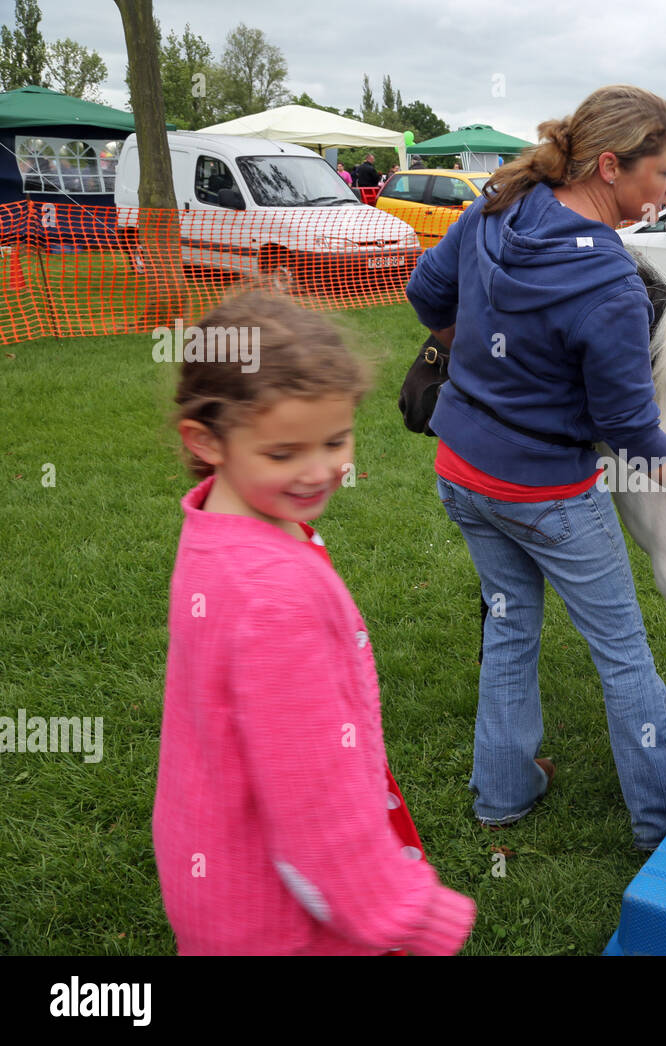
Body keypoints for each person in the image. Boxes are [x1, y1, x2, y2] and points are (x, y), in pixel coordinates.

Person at [406, 85, 666, 852]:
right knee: (625, 656)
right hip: (546, 494)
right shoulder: (609, 282)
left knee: (509, 629)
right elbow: (630, 430)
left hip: (462, 470)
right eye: (664, 173)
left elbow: (426, 293)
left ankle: (503, 795)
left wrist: (494, 342)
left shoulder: (499, 205)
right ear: (608, 165)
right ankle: (662, 825)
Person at [155, 290, 476, 955]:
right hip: (287, 925)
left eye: (336, 439)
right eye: (283, 453)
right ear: (206, 440)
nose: (320, 470)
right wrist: (407, 913)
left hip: (222, 887)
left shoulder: (216, 526)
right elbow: (312, 802)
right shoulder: (274, 598)